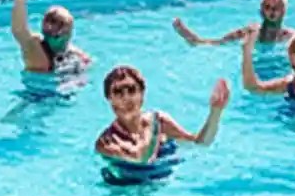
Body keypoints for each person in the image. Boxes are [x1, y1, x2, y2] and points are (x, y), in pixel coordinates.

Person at [95, 65, 228, 184]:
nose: (126, 98)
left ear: (142, 94)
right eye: (118, 92)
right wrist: (152, 127)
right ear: (109, 99)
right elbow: (141, 158)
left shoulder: (160, 120)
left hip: (162, 185)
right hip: (125, 191)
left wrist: (215, 112)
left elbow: (199, 143)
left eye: (131, 90)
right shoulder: (106, 142)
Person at [11, 0, 90, 74]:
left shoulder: (74, 54)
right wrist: (19, 1)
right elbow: (19, 29)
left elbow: (19, 30)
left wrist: (19, 1)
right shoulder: (36, 48)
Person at [173, 0, 294, 46]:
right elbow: (218, 43)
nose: (272, 11)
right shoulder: (250, 32)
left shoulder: (291, 37)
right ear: (261, 11)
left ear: (283, 11)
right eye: (267, 7)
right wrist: (194, 39)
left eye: (276, 7)